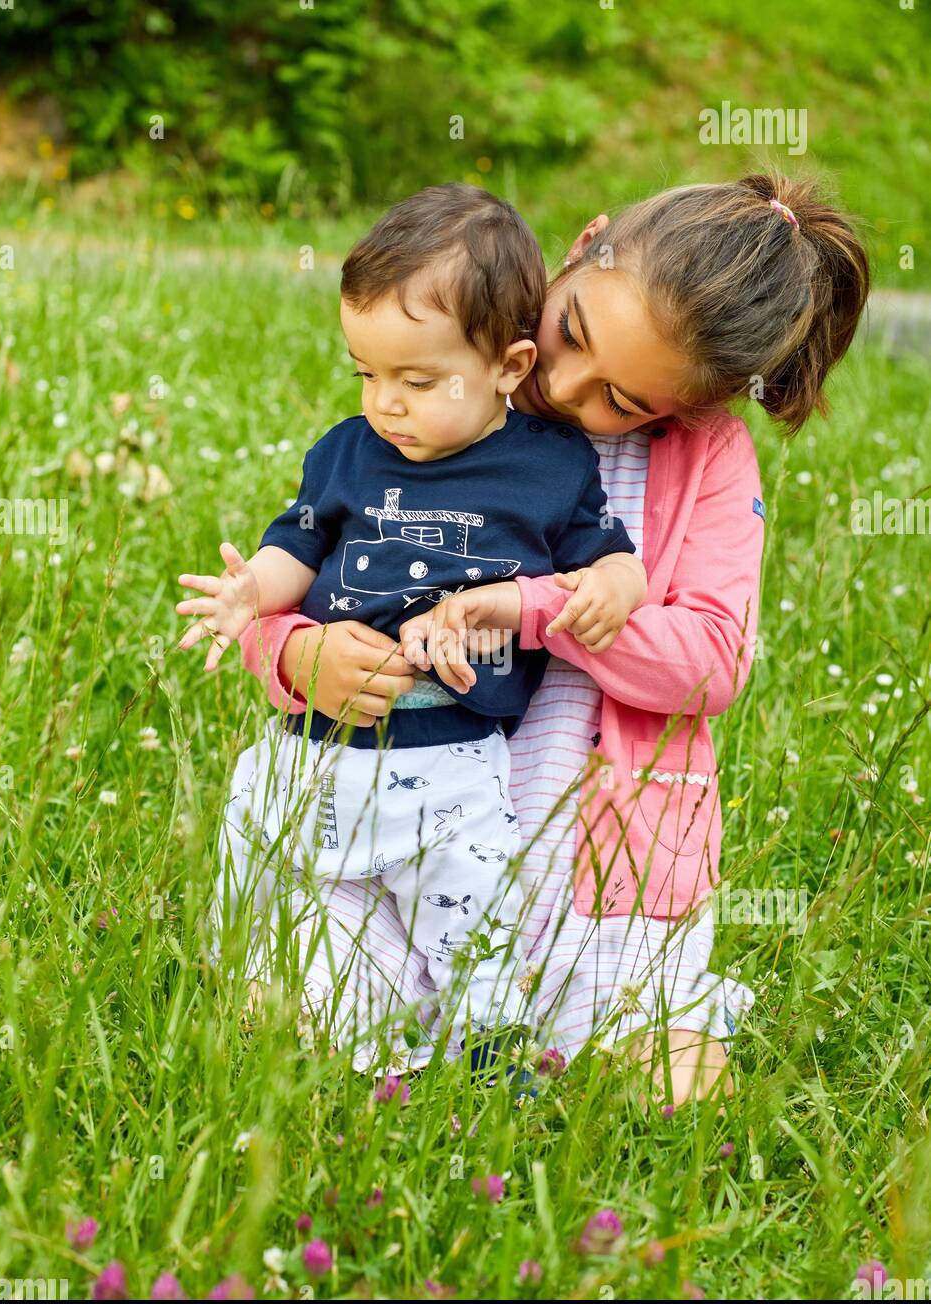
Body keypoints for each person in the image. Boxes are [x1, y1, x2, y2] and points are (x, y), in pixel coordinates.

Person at [239, 174, 869, 1102]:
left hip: (593, 855)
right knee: (280, 1018)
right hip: (397, 822)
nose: (566, 389)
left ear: (688, 405)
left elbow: (710, 662)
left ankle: (559, 1032)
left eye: (622, 397)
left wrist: (532, 608)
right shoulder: (445, 388)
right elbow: (311, 566)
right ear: (583, 245)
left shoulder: (705, 459)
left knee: (671, 1085)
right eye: (571, 332)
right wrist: (297, 658)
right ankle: (422, 1036)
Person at [176, 184, 645, 1066]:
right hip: (312, 743)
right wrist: (255, 597)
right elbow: (298, 544)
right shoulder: (349, 450)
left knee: (475, 899)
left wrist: (618, 581)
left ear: (509, 368)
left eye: (418, 381)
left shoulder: (548, 466)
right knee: (257, 858)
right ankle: (265, 991)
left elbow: (609, 550)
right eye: (367, 373)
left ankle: (490, 1037)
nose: (385, 402)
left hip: (451, 756)